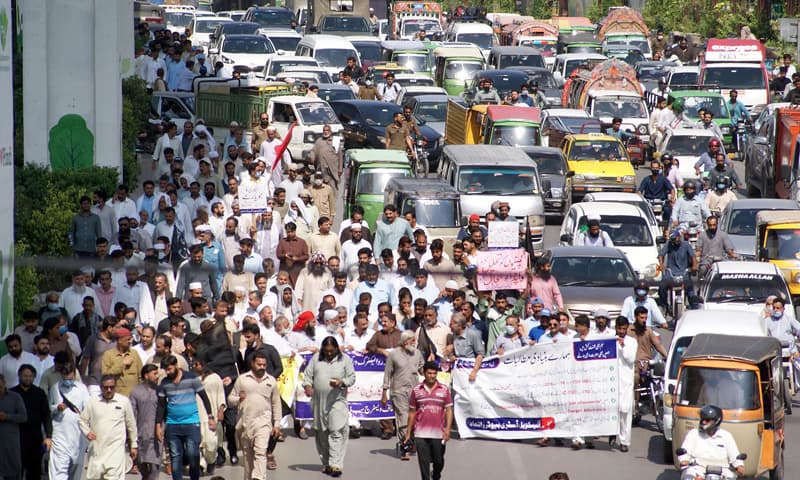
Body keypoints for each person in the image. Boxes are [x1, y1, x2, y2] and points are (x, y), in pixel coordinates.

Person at [302, 336, 356, 478]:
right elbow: (307, 376)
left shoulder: (345, 360)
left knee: (336, 430)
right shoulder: (316, 359)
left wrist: (341, 382)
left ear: (337, 348)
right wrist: (307, 386)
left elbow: (352, 378)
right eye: (327, 351)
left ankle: (336, 465)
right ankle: (326, 463)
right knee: (322, 433)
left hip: (337, 401)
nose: (329, 353)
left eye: (332, 351)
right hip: (319, 402)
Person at [157, 355, 216, 480]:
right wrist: (158, 426)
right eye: (165, 370)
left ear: (176, 365)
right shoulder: (165, 383)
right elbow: (161, 405)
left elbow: (204, 397)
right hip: (173, 425)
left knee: (193, 454)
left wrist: (210, 417)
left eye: (169, 369)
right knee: (175, 456)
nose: (168, 372)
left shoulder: (192, 378)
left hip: (191, 423)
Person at [227, 351, 282, 480]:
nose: (262, 367)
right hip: (245, 424)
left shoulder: (271, 381)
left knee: (260, 452)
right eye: (259, 364)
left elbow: (276, 403)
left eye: (264, 365)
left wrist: (277, 424)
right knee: (248, 459)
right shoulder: (242, 380)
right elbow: (230, 399)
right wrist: (239, 399)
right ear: (252, 363)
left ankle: (259, 477)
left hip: (263, 423)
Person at [79, 375, 138, 480]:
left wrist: (134, 445)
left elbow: (131, 425)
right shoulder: (93, 401)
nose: (109, 390)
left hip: (116, 449)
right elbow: (82, 420)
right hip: (97, 449)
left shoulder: (123, 401)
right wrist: (87, 432)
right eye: (106, 387)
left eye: (112, 387)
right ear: (101, 388)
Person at [404, 361, 452, 480]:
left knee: (438, 461)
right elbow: (412, 412)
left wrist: (447, 430)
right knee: (424, 463)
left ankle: (436, 475)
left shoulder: (444, 390)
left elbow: (449, 410)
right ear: (424, 374)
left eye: (434, 373)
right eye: (429, 373)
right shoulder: (416, 390)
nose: (432, 376)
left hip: (438, 433)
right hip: (421, 433)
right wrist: (408, 433)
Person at [381, 330, 424, 459]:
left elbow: (421, 369)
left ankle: (411, 441)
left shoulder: (417, 354)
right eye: (412, 340)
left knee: (414, 418)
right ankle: (405, 447)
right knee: (403, 418)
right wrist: (384, 393)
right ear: (405, 341)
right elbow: (387, 374)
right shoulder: (393, 355)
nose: (414, 343)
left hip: (414, 390)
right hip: (398, 391)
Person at [678, 405, 745, 479]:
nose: (704, 422)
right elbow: (685, 451)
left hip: (723, 470)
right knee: (688, 477)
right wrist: (684, 460)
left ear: (716, 421)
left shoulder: (726, 436)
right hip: (698, 468)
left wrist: (739, 465)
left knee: (731, 477)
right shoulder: (693, 433)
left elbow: (734, 455)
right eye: (702, 419)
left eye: (707, 420)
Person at [48, 361, 90, 480]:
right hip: (60, 435)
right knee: (58, 471)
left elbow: (88, 409)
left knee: (76, 470)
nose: (68, 381)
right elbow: (48, 409)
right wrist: (57, 407)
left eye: (70, 378)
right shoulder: (55, 388)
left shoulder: (82, 389)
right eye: (65, 378)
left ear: (74, 374)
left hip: (78, 436)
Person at [12, 364, 52, 480]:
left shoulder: (39, 393)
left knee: (34, 471)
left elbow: (46, 415)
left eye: (30, 376)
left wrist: (48, 436)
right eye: (25, 376)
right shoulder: (12, 393)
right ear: (19, 375)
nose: (27, 378)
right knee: (15, 471)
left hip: (35, 438)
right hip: (16, 438)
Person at [129, 364, 162, 480]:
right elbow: (132, 414)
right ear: (146, 375)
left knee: (155, 466)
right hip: (141, 434)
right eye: (155, 374)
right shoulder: (136, 392)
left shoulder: (160, 391)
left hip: (157, 434)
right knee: (142, 464)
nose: (157, 376)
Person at [611, 316, 637, 452]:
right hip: (611, 380)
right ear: (615, 328)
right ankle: (612, 433)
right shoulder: (610, 339)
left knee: (624, 411)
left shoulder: (631, 342)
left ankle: (624, 441)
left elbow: (630, 358)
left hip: (625, 382)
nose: (621, 331)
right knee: (611, 409)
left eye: (624, 329)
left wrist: (622, 345)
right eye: (619, 329)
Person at [657, 229, 698, 310]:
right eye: (672, 239)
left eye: (676, 238)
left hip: (683, 272)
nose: (675, 241)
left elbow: (693, 256)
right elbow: (661, 255)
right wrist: (661, 265)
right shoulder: (669, 244)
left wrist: (694, 266)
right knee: (662, 286)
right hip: (671, 272)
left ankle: (693, 305)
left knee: (689, 288)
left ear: (679, 237)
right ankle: (664, 305)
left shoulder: (686, 244)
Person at [0, 373, 27, 479]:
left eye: (0, 387)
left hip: (10, 443)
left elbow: (23, 417)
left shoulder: (15, 397)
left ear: (4, 383)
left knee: (12, 471)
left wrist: (7, 416)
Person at [638, 159, 675, 226]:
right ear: (650, 168)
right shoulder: (646, 179)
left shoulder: (663, 179)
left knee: (667, 210)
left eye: (656, 168)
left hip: (661, 202)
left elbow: (672, 189)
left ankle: (666, 227)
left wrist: (672, 198)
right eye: (653, 168)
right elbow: (640, 191)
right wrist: (639, 197)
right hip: (649, 202)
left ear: (659, 168)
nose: (655, 169)